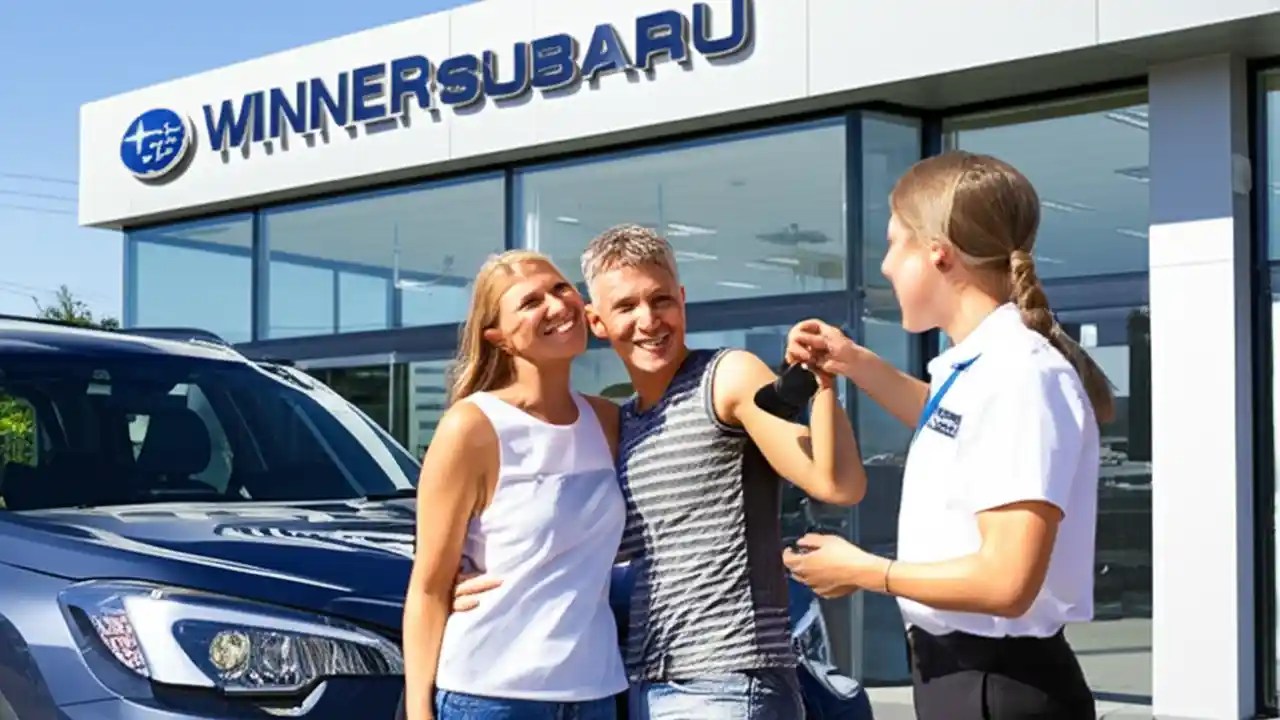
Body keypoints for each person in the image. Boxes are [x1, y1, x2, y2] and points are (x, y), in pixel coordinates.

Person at [452, 224, 868, 719]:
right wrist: (466, 571)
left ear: (683, 301)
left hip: (729, 682)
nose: (649, 320)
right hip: (643, 685)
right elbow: (569, 537)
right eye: (626, 307)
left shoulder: (727, 377)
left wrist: (822, 383)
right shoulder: (619, 423)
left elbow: (837, 484)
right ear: (597, 322)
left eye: (662, 300)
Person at [781, 150, 1113, 719]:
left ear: (937, 253)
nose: (884, 265)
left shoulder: (1019, 373)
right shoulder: (983, 366)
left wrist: (864, 570)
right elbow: (947, 420)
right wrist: (853, 361)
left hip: (997, 686)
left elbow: (1007, 580)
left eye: (893, 244)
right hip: (967, 679)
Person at [401, 250, 628, 720]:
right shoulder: (472, 427)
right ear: (498, 337)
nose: (556, 304)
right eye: (530, 302)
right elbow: (428, 587)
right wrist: (420, 712)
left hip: (595, 693)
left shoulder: (607, 421)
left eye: (561, 288)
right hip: (492, 697)